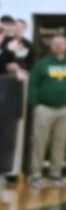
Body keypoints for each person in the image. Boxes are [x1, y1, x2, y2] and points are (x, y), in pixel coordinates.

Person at [28, 33, 66, 187]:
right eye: (55, 43)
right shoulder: (42, 64)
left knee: (60, 142)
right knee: (39, 142)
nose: (58, 46)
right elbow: (33, 85)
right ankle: (36, 175)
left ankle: (55, 174)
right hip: (44, 108)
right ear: (50, 46)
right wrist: (36, 104)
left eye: (61, 43)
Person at [0, 16, 29, 182]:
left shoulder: (17, 44)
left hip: (8, 95)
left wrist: (17, 68)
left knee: (7, 134)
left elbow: (17, 63)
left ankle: (6, 171)